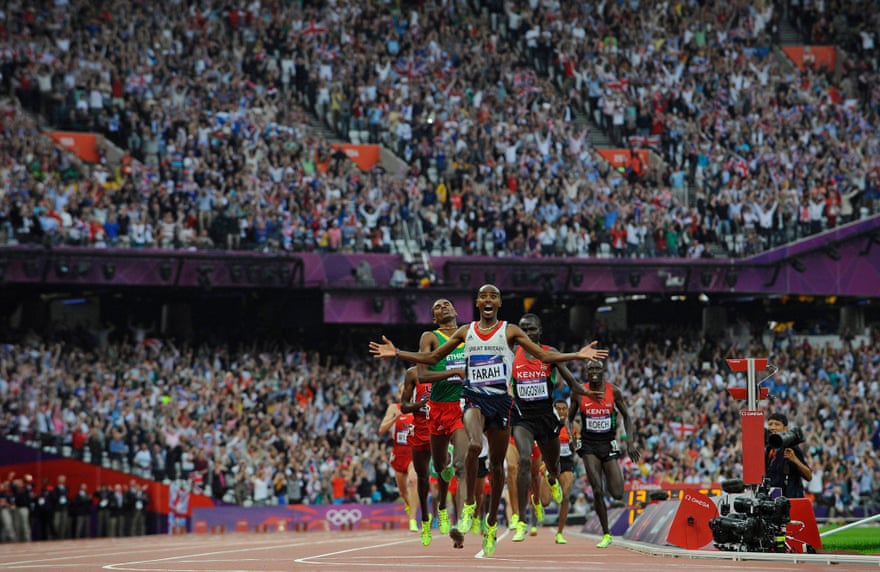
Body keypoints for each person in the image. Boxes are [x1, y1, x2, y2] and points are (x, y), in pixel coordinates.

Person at [370, 284, 609, 557]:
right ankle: (469, 504)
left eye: (492, 296)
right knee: (473, 444)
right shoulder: (466, 331)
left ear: (499, 303)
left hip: (500, 403)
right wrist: (398, 353)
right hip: (474, 398)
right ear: (477, 302)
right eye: (483, 295)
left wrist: (576, 355)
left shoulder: (510, 331)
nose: (487, 299)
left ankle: (492, 523)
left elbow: (543, 355)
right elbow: (433, 357)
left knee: (496, 466)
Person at [509, 313, 586, 542]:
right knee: (523, 461)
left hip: (545, 418)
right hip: (522, 419)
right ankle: (521, 519)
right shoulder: (512, 353)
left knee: (552, 466)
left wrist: (586, 391)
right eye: (522, 329)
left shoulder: (549, 351)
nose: (526, 333)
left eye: (531, 329)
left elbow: (571, 382)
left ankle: (552, 479)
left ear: (539, 330)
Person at [570, 359, 639, 549]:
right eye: (590, 368)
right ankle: (606, 533)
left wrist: (630, 443)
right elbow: (569, 419)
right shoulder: (578, 393)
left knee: (617, 493)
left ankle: (609, 477)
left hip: (609, 443)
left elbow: (627, 416)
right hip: (589, 445)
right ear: (586, 373)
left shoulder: (613, 391)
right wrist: (573, 438)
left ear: (603, 372)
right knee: (597, 490)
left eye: (597, 369)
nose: (593, 371)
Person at [419, 298, 469, 536]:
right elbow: (423, 375)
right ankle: (441, 506)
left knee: (461, 464)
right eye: (436, 307)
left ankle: (460, 521)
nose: (442, 307)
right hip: (437, 408)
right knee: (440, 465)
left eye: (447, 304)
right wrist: (453, 372)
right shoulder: (430, 337)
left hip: (461, 407)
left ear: (456, 310)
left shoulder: (470, 334)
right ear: (434, 319)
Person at [378, 391, 419, 533]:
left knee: (413, 481)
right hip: (398, 455)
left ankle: (412, 519)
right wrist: (394, 419)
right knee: (402, 491)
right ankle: (410, 506)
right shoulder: (394, 408)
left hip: (413, 454)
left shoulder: (418, 408)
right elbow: (381, 429)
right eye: (402, 392)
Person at [764, 412, 812, 498]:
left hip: (790, 500)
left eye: (777, 424)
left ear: (785, 429)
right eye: (770, 424)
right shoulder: (768, 450)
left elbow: (809, 476)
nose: (773, 427)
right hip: (773, 500)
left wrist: (794, 460)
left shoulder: (791, 448)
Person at [552, 399, 577, 544]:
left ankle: (559, 533)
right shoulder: (548, 424)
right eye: (558, 409)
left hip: (566, 461)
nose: (561, 412)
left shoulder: (573, 426)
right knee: (546, 502)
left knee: (566, 496)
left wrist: (575, 441)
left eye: (564, 409)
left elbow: (578, 447)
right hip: (550, 462)